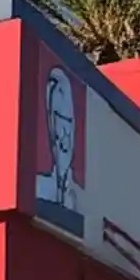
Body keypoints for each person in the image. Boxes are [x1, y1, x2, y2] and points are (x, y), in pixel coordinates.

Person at [35, 66, 83, 212]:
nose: (64, 135)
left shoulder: (79, 197)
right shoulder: (37, 188)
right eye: (57, 120)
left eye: (68, 122)